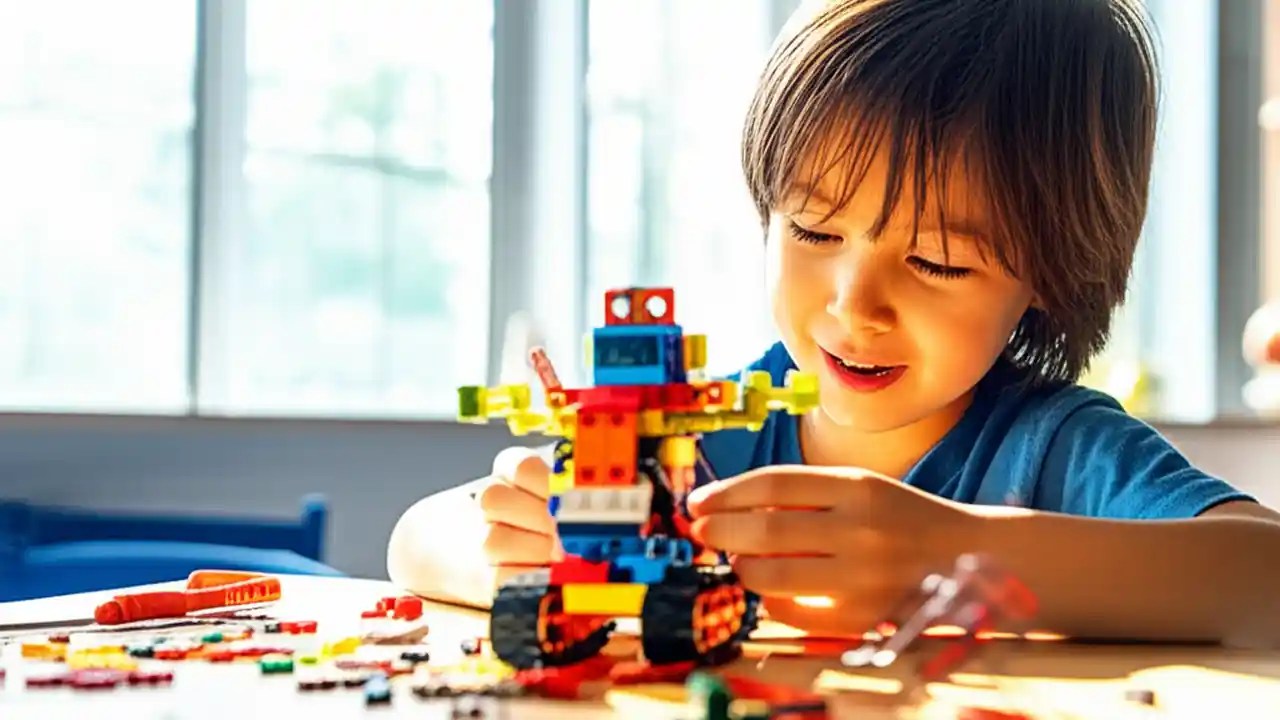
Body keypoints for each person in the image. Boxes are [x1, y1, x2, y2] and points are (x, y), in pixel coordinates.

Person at [387, 0, 1280, 646]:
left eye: (937, 261)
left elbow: (1263, 578)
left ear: (1050, 271)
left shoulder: (1058, 451)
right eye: (814, 230)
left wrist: (946, 552)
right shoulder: (709, 434)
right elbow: (413, 539)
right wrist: (517, 547)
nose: (854, 305)